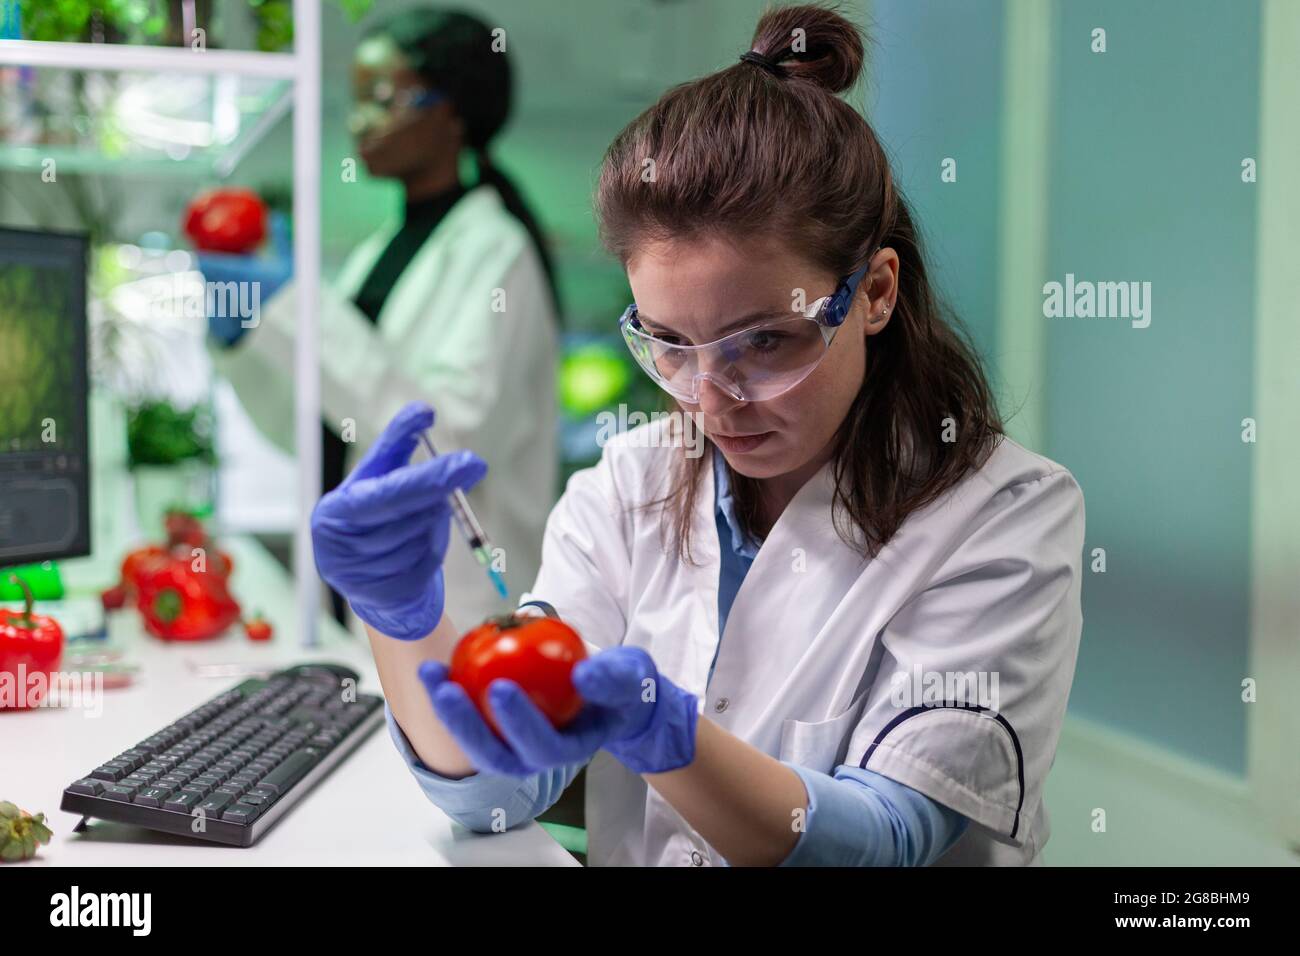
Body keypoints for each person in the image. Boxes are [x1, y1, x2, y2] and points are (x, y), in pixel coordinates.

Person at [311, 4, 1086, 866]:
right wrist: (403, 620)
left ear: (873, 293)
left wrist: (665, 738)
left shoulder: (1002, 515)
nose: (712, 403)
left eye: (763, 341)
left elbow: (889, 837)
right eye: (670, 346)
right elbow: (501, 791)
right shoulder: (624, 486)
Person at [203, 8, 559, 627]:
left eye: (383, 98)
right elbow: (317, 432)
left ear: (451, 111)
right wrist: (245, 342)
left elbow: (448, 447)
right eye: (355, 100)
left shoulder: (497, 251)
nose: (359, 121)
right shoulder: (377, 252)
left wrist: (299, 306)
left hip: (465, 607)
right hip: (367, 601)